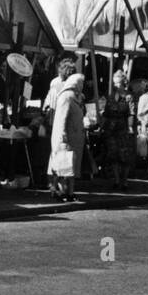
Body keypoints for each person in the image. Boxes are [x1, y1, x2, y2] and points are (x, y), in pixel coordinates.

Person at [50, 68, 86, 202]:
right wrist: (63, 135)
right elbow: (61, 118)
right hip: (66, 137)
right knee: (63, 165)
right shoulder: (66, 96)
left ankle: (70, 192)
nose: (82, 86)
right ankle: (60, 191)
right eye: (81, 83)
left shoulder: (77, 97)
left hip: (75, 137)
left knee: (72, 167)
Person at [100, 71, 136, 190]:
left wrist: (130, 127)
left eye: (118, 83)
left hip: (123, 128)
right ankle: (116, 180)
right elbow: (105, 112)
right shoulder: (111, 96)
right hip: (111, 129)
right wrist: (102, 125)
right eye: (115, 83)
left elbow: (131, 113)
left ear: (123, 83)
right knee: (113, 155)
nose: (116, 85)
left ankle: (124, 181)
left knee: (124, 156)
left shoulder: (128, 97)